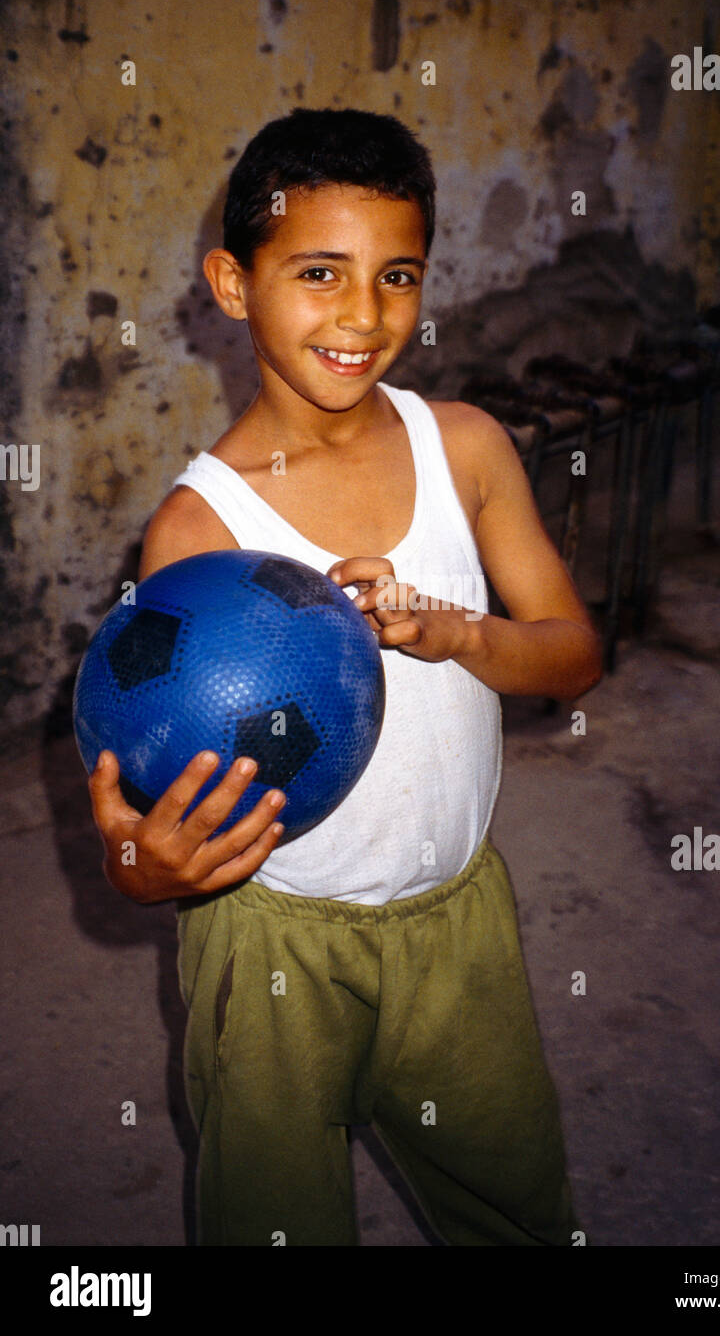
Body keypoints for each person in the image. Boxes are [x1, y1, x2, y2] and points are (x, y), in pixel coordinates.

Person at [87, 107, 602, 1246]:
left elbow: (573, 657)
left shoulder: (463, 446)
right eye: (319, 273)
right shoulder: (197, 531)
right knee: (274, 1215)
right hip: (271, 938)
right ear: (234, 283)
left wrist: (456, 632)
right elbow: (133, 829)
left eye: (396, 275)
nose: (363, 316)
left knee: (513, 1199)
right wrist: (141, 871)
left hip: (456, 921)